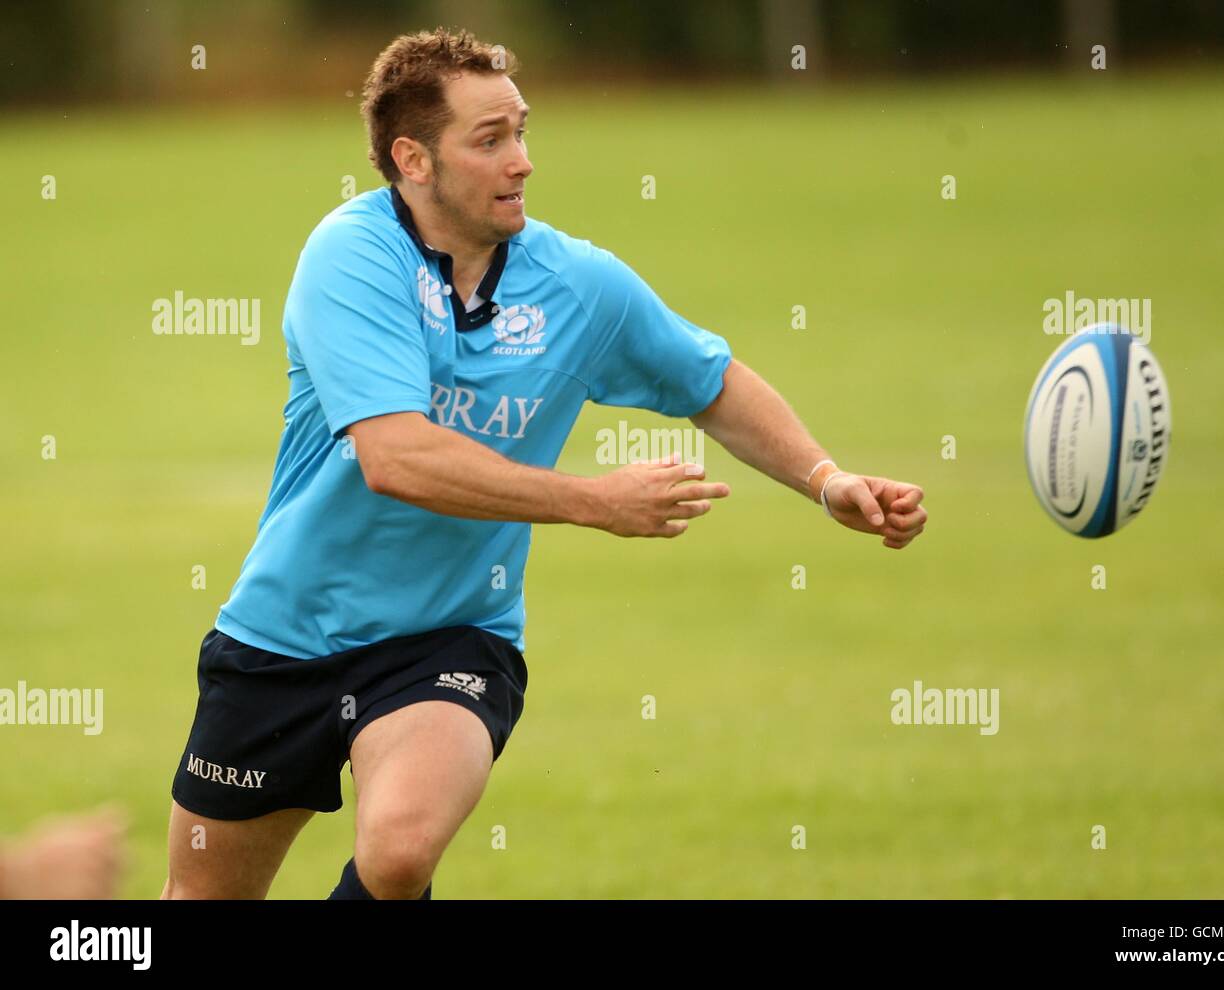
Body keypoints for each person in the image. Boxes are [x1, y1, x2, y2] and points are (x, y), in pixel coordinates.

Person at [163, 27, 927, 900]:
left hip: (448, 637)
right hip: (283, 635)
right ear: (413, 159)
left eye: (522, 130)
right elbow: (395, 457)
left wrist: (827, 480)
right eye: (490, 140)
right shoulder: (351, 258)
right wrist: (592, 501)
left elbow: (710, 379)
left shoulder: (576, 284)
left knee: (401, 851)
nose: (521, 160)